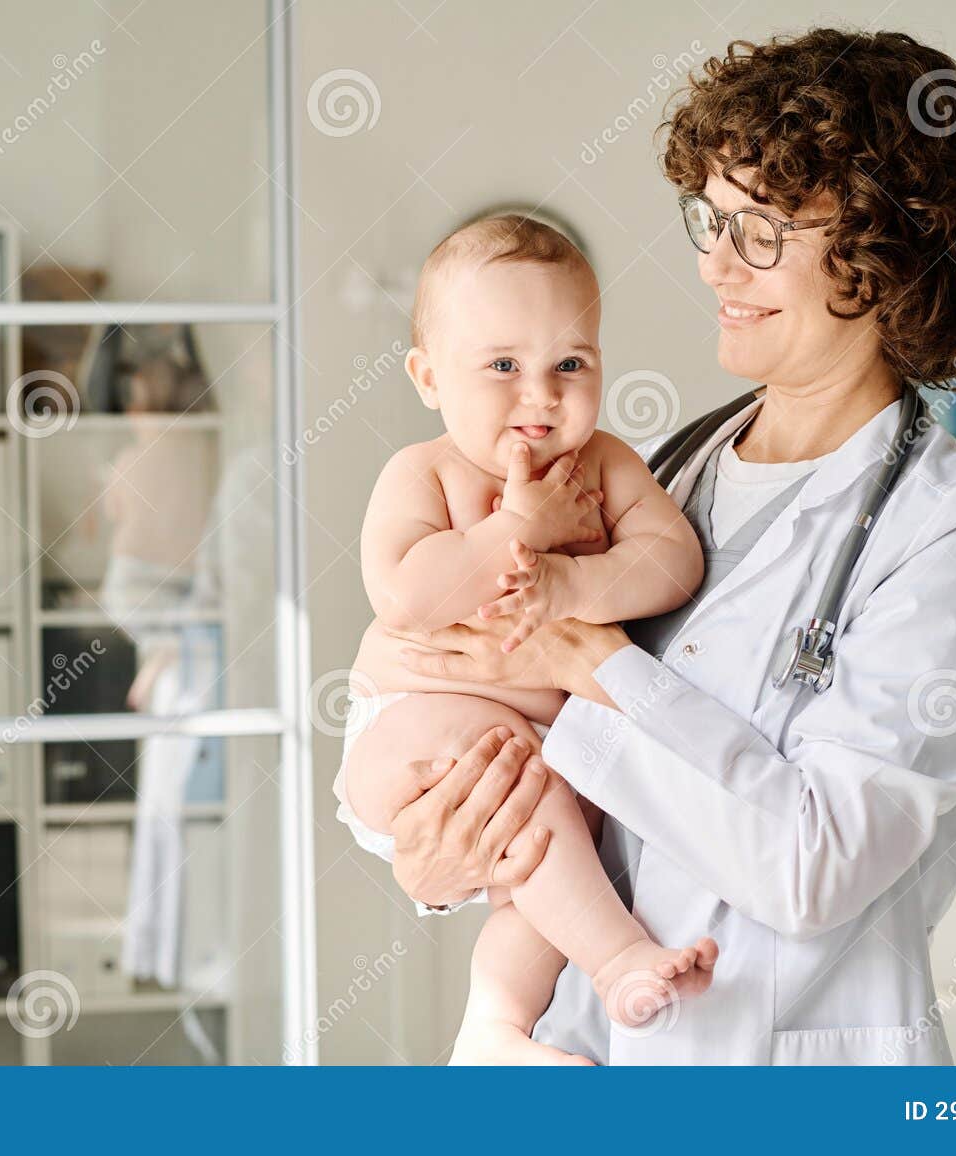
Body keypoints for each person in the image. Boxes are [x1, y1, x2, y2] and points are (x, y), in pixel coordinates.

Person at [383, 28, 956, 1064]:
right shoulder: (655, 470)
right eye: (711, 220)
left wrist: (580, 653)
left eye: (760, 232)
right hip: (568, 1047)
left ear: (882, 251)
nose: (711, 263)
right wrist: (433, 855)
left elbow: (813, 862)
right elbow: (459, 707)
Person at [335, 215, 719, 1062]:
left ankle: (497, 1027)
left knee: (546, 867)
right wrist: (515, 525)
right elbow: (404, 596)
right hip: (418, 721)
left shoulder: (607, 464)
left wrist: (576, 583)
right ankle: (619, 962)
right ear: (429, 376)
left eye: (570, 365)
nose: (541, 394)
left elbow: (674, 562)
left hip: (547, 749)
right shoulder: (424, 472)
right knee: (524, 781)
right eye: (503, 365)